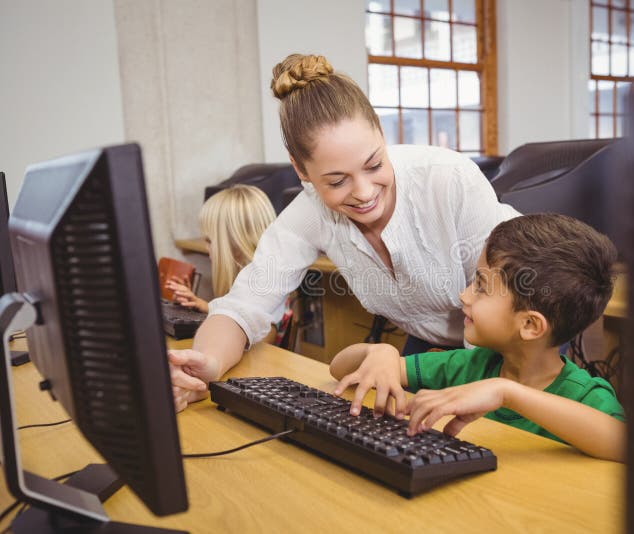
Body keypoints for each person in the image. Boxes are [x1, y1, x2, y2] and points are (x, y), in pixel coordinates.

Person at [168, 53, 519, 412]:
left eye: (374, 165)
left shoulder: (448, 179)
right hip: (434, 343)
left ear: (381, 133)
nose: (365, 193)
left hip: (515, 333)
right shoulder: (308, 215)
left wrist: (473, 391)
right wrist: (206, 364)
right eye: (337, 181)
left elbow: (502, 300)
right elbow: (245, 306)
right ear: (300, 169)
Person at [329, 213, 626, 462]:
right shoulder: (468, 365)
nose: (464, 295)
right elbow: (339, 369)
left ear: (531, 326)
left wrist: (506, 392)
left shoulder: (584, 395)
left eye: (481, 287)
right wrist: (379, 353)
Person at [165, 184, 277, 314]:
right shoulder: (260, 277)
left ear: (236, 242)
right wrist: (199, 304)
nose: (207, 249)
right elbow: (236, 315)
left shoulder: (259, 290)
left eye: (210, 241)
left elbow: (246, 327)